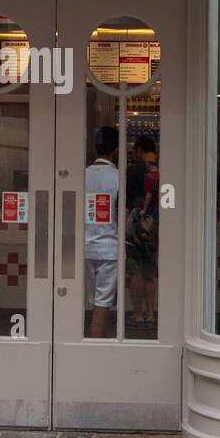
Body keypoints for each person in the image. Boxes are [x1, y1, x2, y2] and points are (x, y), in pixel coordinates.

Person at [84, 125, 120, 339]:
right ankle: (95, 344)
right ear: (115, 150)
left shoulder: (83, 175)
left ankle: (90, 341)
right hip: (109, 247)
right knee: (103, 300)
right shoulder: (117, 177)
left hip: (85, 246)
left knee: (94, 298)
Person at [125, 136, 160, 329]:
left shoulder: (135, 171)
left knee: (134, 272)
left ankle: (138, 316)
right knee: (149, 273)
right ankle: (151, 315)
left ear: (139, 150)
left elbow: (127, 203)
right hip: (154, 227)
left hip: (135, 227)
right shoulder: (162, 170)